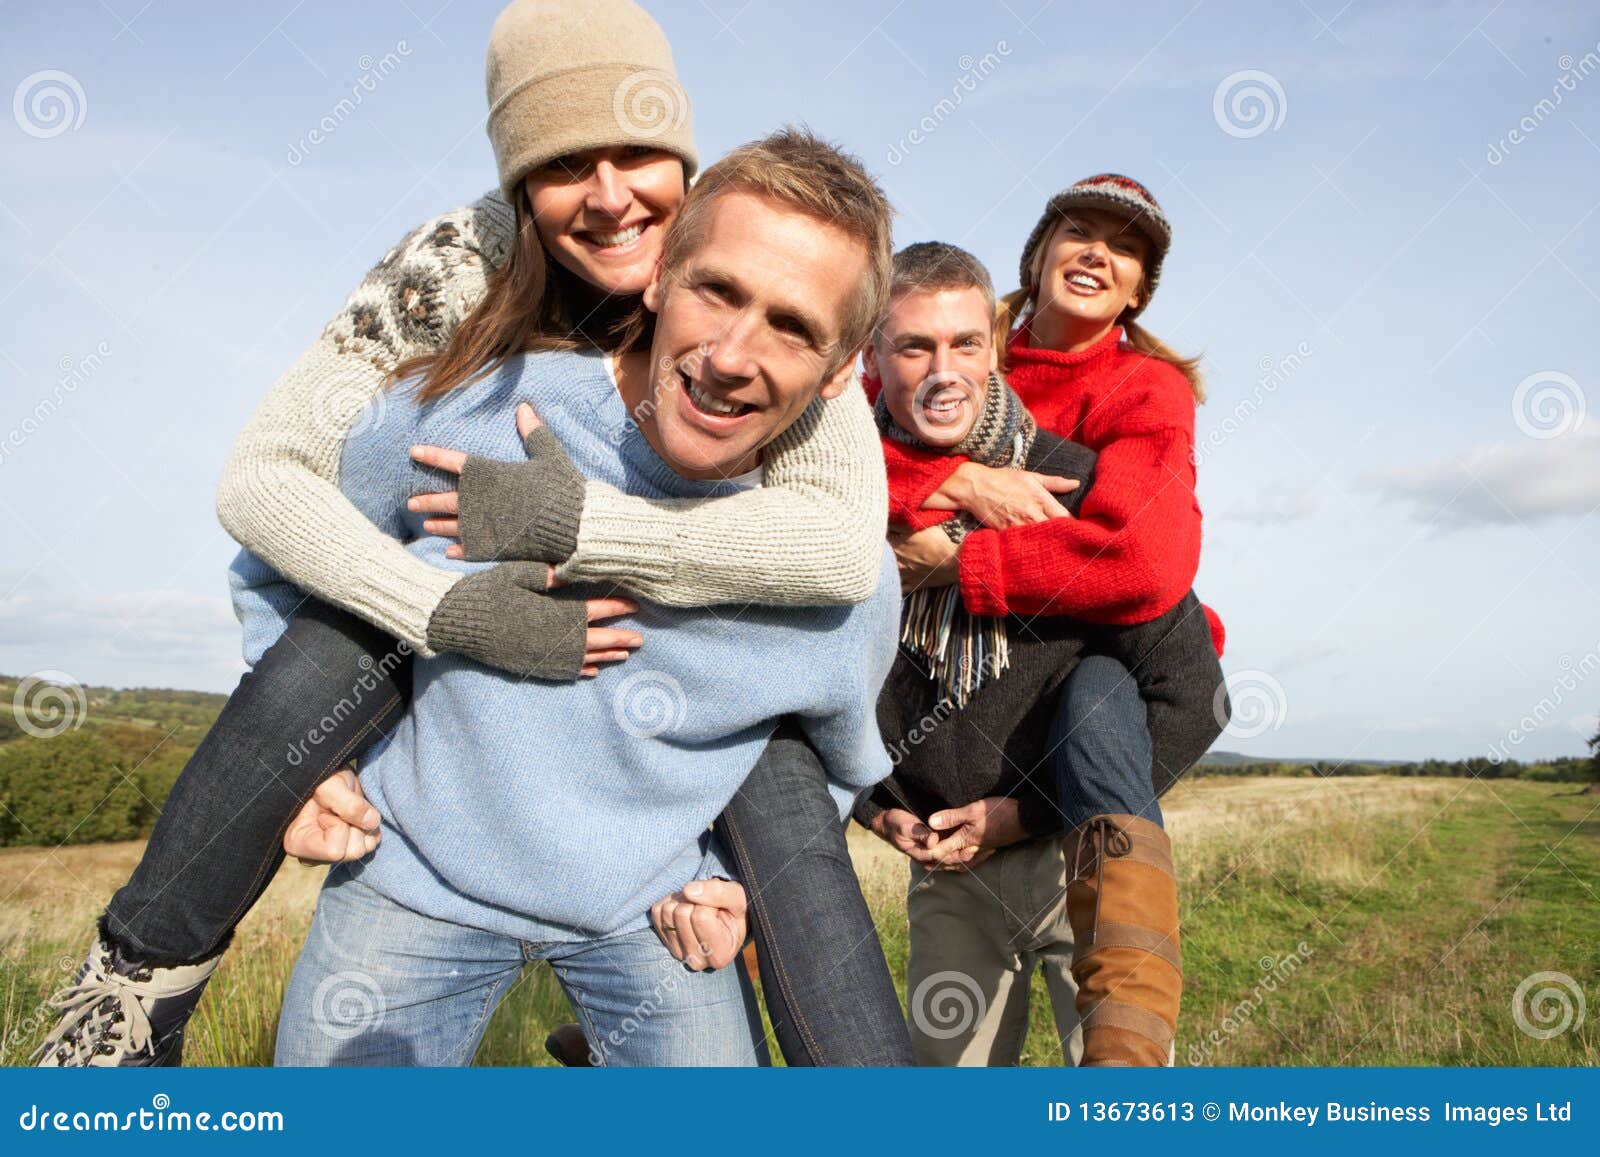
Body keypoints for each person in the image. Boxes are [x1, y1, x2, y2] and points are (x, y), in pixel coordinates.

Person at [35, 0, 910, 1068]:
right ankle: (127, 999)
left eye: (638, 150)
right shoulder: (461, 325)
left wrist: (584, 529)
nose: (607, 194)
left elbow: (836, 614)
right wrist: (314, 745)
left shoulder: (788, 353)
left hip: (645, 884)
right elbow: (277, 500)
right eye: (560, 163)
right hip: (426, 864)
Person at [265, 127, 900, 1066]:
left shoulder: (832, 564)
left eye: (792, 325)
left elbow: (841, 752)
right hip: (408, 877)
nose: (731, 354)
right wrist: (304, 755)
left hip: (649, 908)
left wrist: (728, 879)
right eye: (717, 290)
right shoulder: (485, 411)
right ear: (658, 277)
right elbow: (288, 541)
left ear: (842, 371)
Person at [863, 181, 1227, 1067]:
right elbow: (831, 453)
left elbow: (1140, 563)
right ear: (1033, 258)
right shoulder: (958, 367)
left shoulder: (1144, 392)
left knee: (1103, 688)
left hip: (1079, 732)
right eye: (1078, 229)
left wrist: (959, 560)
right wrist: (957, 484)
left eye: (1125, 245)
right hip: (955, 767)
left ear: (1140, 289)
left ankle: (1122, 1062)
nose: (1098, 252)